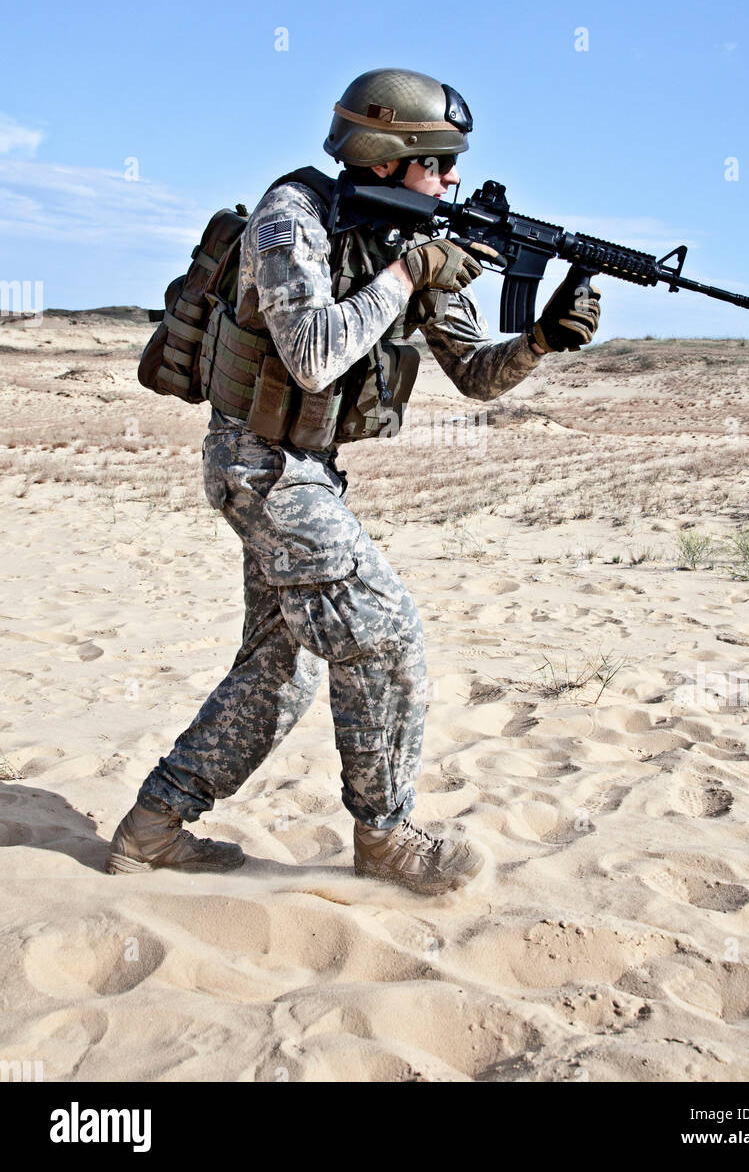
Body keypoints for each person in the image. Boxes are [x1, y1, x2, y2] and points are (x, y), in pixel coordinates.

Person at [106, 68, 600, 894]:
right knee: (383, 632)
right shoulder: (288, 218)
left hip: (307, 473)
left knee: (283, 662)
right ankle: (387, 837)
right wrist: (412, 274)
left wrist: (544, 336)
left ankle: (153, 826)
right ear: (387, 156)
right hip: (261, 467)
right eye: (439, 164)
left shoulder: (411, 237)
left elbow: (475, 376)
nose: (450, 182)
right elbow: (312, 354)